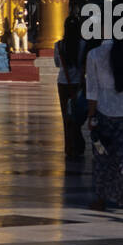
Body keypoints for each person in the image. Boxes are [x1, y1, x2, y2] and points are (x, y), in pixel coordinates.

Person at [85, 34, 123, 214]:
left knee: (102, 156)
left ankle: (101, 199)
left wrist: (91, 116)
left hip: (103, 111)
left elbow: (92, 89)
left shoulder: (93, 54)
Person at [53, 15, 86, 158]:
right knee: (77, 115)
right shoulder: (83, 44)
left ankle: (69, 147)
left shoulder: (59, 45)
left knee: (66, 116)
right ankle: (78, 144)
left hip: (63, 83)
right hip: (77, 83)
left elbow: (57, 64)